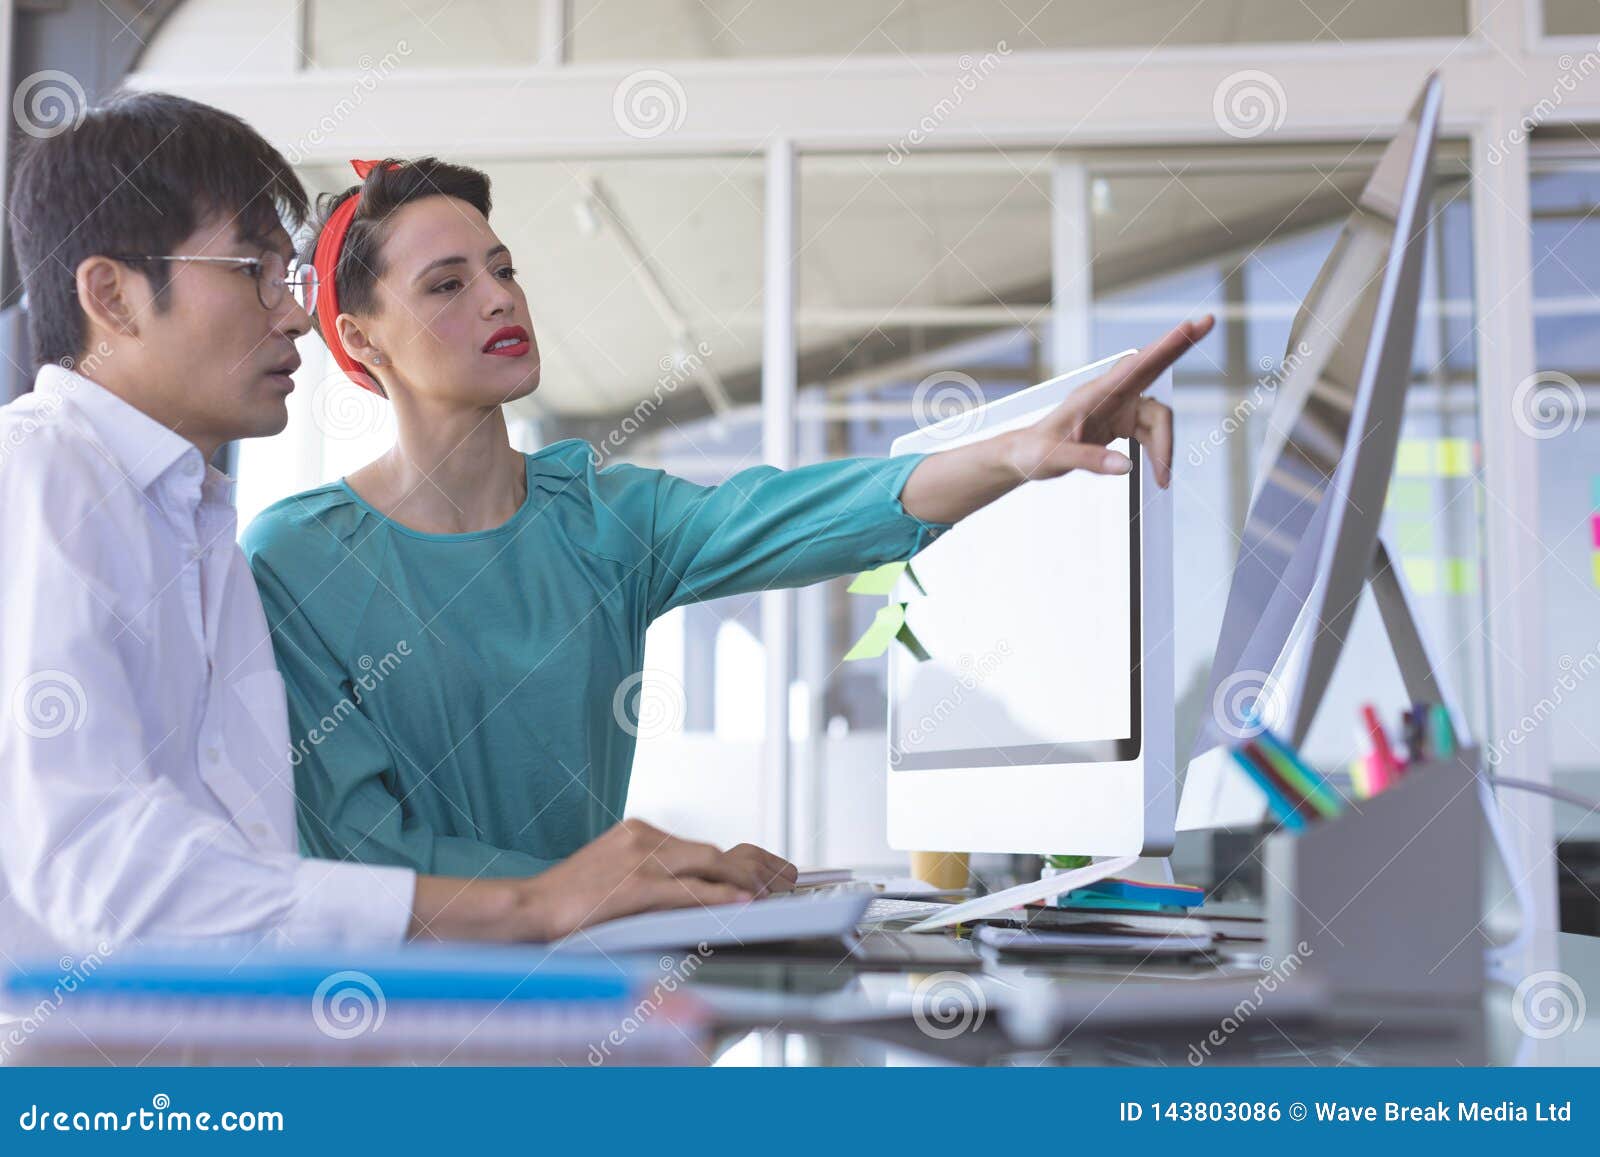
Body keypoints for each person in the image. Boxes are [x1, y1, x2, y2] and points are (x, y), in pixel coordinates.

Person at [0, 92, 795, 984]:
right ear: (112, 295)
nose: (291, 314)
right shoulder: (38, 476)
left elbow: (245, 883)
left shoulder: (192, 521)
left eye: (288, 279)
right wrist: (538, 903)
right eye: (251, 272)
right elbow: (95, 863)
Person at [241, 155, 1213, 879]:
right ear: (361, 340)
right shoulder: (298, 557)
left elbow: (810, 513)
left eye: (503, 267)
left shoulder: (603, 520)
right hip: (399, 1027)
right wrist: (636, 883)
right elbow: (369, 861)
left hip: (594, 996)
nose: (500, 295)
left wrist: (1014, 453)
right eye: (448, 284)